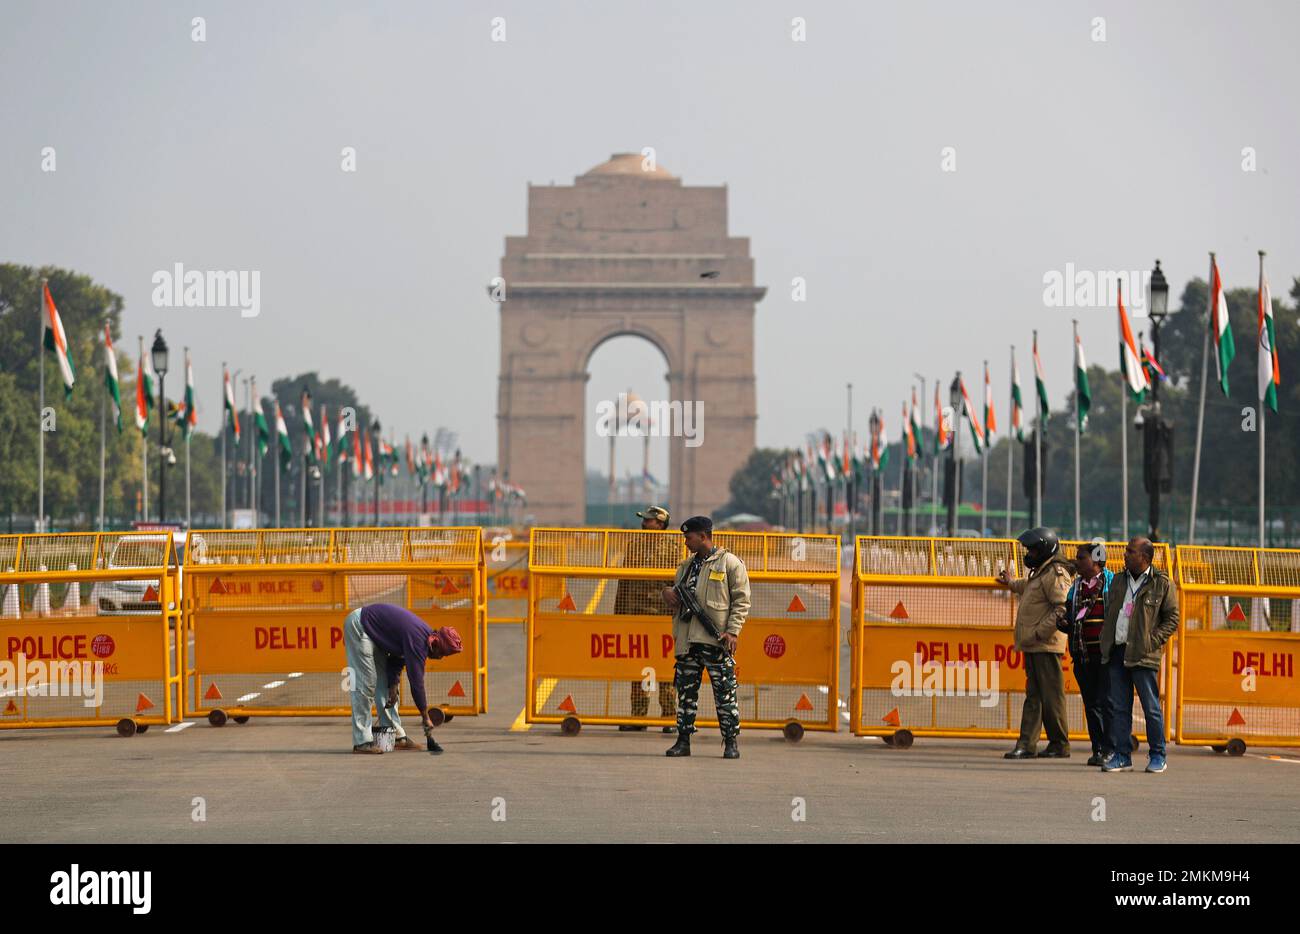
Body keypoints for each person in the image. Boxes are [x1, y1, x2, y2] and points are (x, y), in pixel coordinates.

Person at [661, 515, 750, 759]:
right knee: (686, 693)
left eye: (689, 538)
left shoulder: (729, 563)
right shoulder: (685, 566)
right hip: (688, 641)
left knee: (725, 693)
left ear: (703, 536)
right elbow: (675, 593)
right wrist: (667, 592)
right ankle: (683, 740)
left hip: (715, 640)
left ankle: (730, 742)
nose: (686, 542)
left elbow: (742, 600)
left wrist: (732, 631)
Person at [1098, 537, 1178, 773]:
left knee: (1150, 707)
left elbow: (1172, 618)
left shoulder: (1161, 583)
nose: (1124, 554)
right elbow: (1112, 612)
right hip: (1118, 651)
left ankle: (1158, 755)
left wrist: (1151, 642)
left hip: (1143, 654)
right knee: (1120, 707)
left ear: (1144, 557)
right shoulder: (1120, 580)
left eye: (1130, 552)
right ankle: (1122, 755)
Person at [343, 602, 463, 755]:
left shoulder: (424, 637)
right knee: (365, 684)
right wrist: (425, 716)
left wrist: (393, 684)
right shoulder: (419, 642)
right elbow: (416, 683)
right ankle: (361, 742)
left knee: (386, 686)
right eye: (442, 654)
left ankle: (396, 737)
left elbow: (397, 657)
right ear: (436, 643)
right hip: (360, 626)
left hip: (373, 631)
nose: (440, 658)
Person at [995, 527, 1073, 759]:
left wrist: (1040, 632)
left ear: (1045, 549)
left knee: (1051, 697)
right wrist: (1010, 582)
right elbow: (1029, 589)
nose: (1028, 554)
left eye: (1032, 549)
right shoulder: (1042, 571)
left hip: (1045, 644)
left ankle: (1059, 744)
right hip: (1035, 643)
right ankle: (1027, 744)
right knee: (1036, 696)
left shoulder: (1056, 573)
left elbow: (1063, 607)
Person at [613, 505, 680, 733]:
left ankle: (670, 716)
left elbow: (679, 586)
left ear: (660, 524)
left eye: (648, 520)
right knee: (639, 668)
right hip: (637, 616)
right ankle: (638, 716)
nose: (643, 523)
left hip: (663, 618)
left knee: (666, 668)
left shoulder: (674, 550)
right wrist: (619, 614)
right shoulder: (633, 546)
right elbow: (624, 581)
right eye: (644, 520)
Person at [1062, 543, 1114, 766]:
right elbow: (1070, 618)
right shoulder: (1075, 588)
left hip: (1106, 657)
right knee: (1091, 704)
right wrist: (1063, 621)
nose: (1076, 561)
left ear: (1095, 561)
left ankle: (1111, 749)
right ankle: (1098, 749)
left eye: (1081, 558)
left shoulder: (1112, 584)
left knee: (1107, 702)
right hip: (1083, 656)